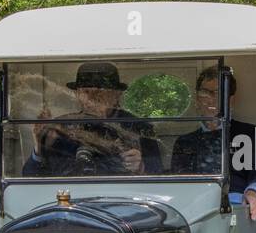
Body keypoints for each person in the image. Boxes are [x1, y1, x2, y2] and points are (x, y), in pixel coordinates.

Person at [22, 62, 162, 177]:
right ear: (77, 95)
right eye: (86, 91)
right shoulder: (60, 127)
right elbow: (29, 178)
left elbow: (161, 177)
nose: (92, 98)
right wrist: (38, 148)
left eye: (101, 91)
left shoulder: (139, 127)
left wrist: (140, 167)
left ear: (116, 95)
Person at [172, 66, 256, 221]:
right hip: (192, 213)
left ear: (230, 100)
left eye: (219, 93)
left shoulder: (249, 133)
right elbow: (177, 184)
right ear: (197, 99)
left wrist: (253, 193)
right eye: (205, 92)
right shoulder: (184, 142)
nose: (212, 99)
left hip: (234, 211)